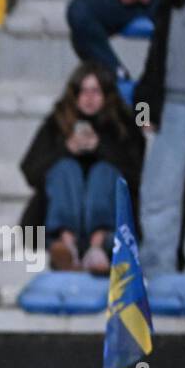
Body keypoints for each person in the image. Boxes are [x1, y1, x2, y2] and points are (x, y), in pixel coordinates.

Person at [20, 61, 143, 273]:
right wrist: (66, 149)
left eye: (95, 91)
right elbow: (30, 171)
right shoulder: (57, 122)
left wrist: (100, 147)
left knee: (104, 170)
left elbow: (139, 175)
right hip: (58, 226)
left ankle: (98, 247)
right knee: (65, 167)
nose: (89, 98)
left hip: (112, 227)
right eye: (83, 91)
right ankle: (67, 247)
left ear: (106, 93)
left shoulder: (124, 125)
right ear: (74, 94)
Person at [136, 0, 185, 275]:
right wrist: (145, 117)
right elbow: (151, 67)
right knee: (160, 195)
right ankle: (157, 274)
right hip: (173, 105)